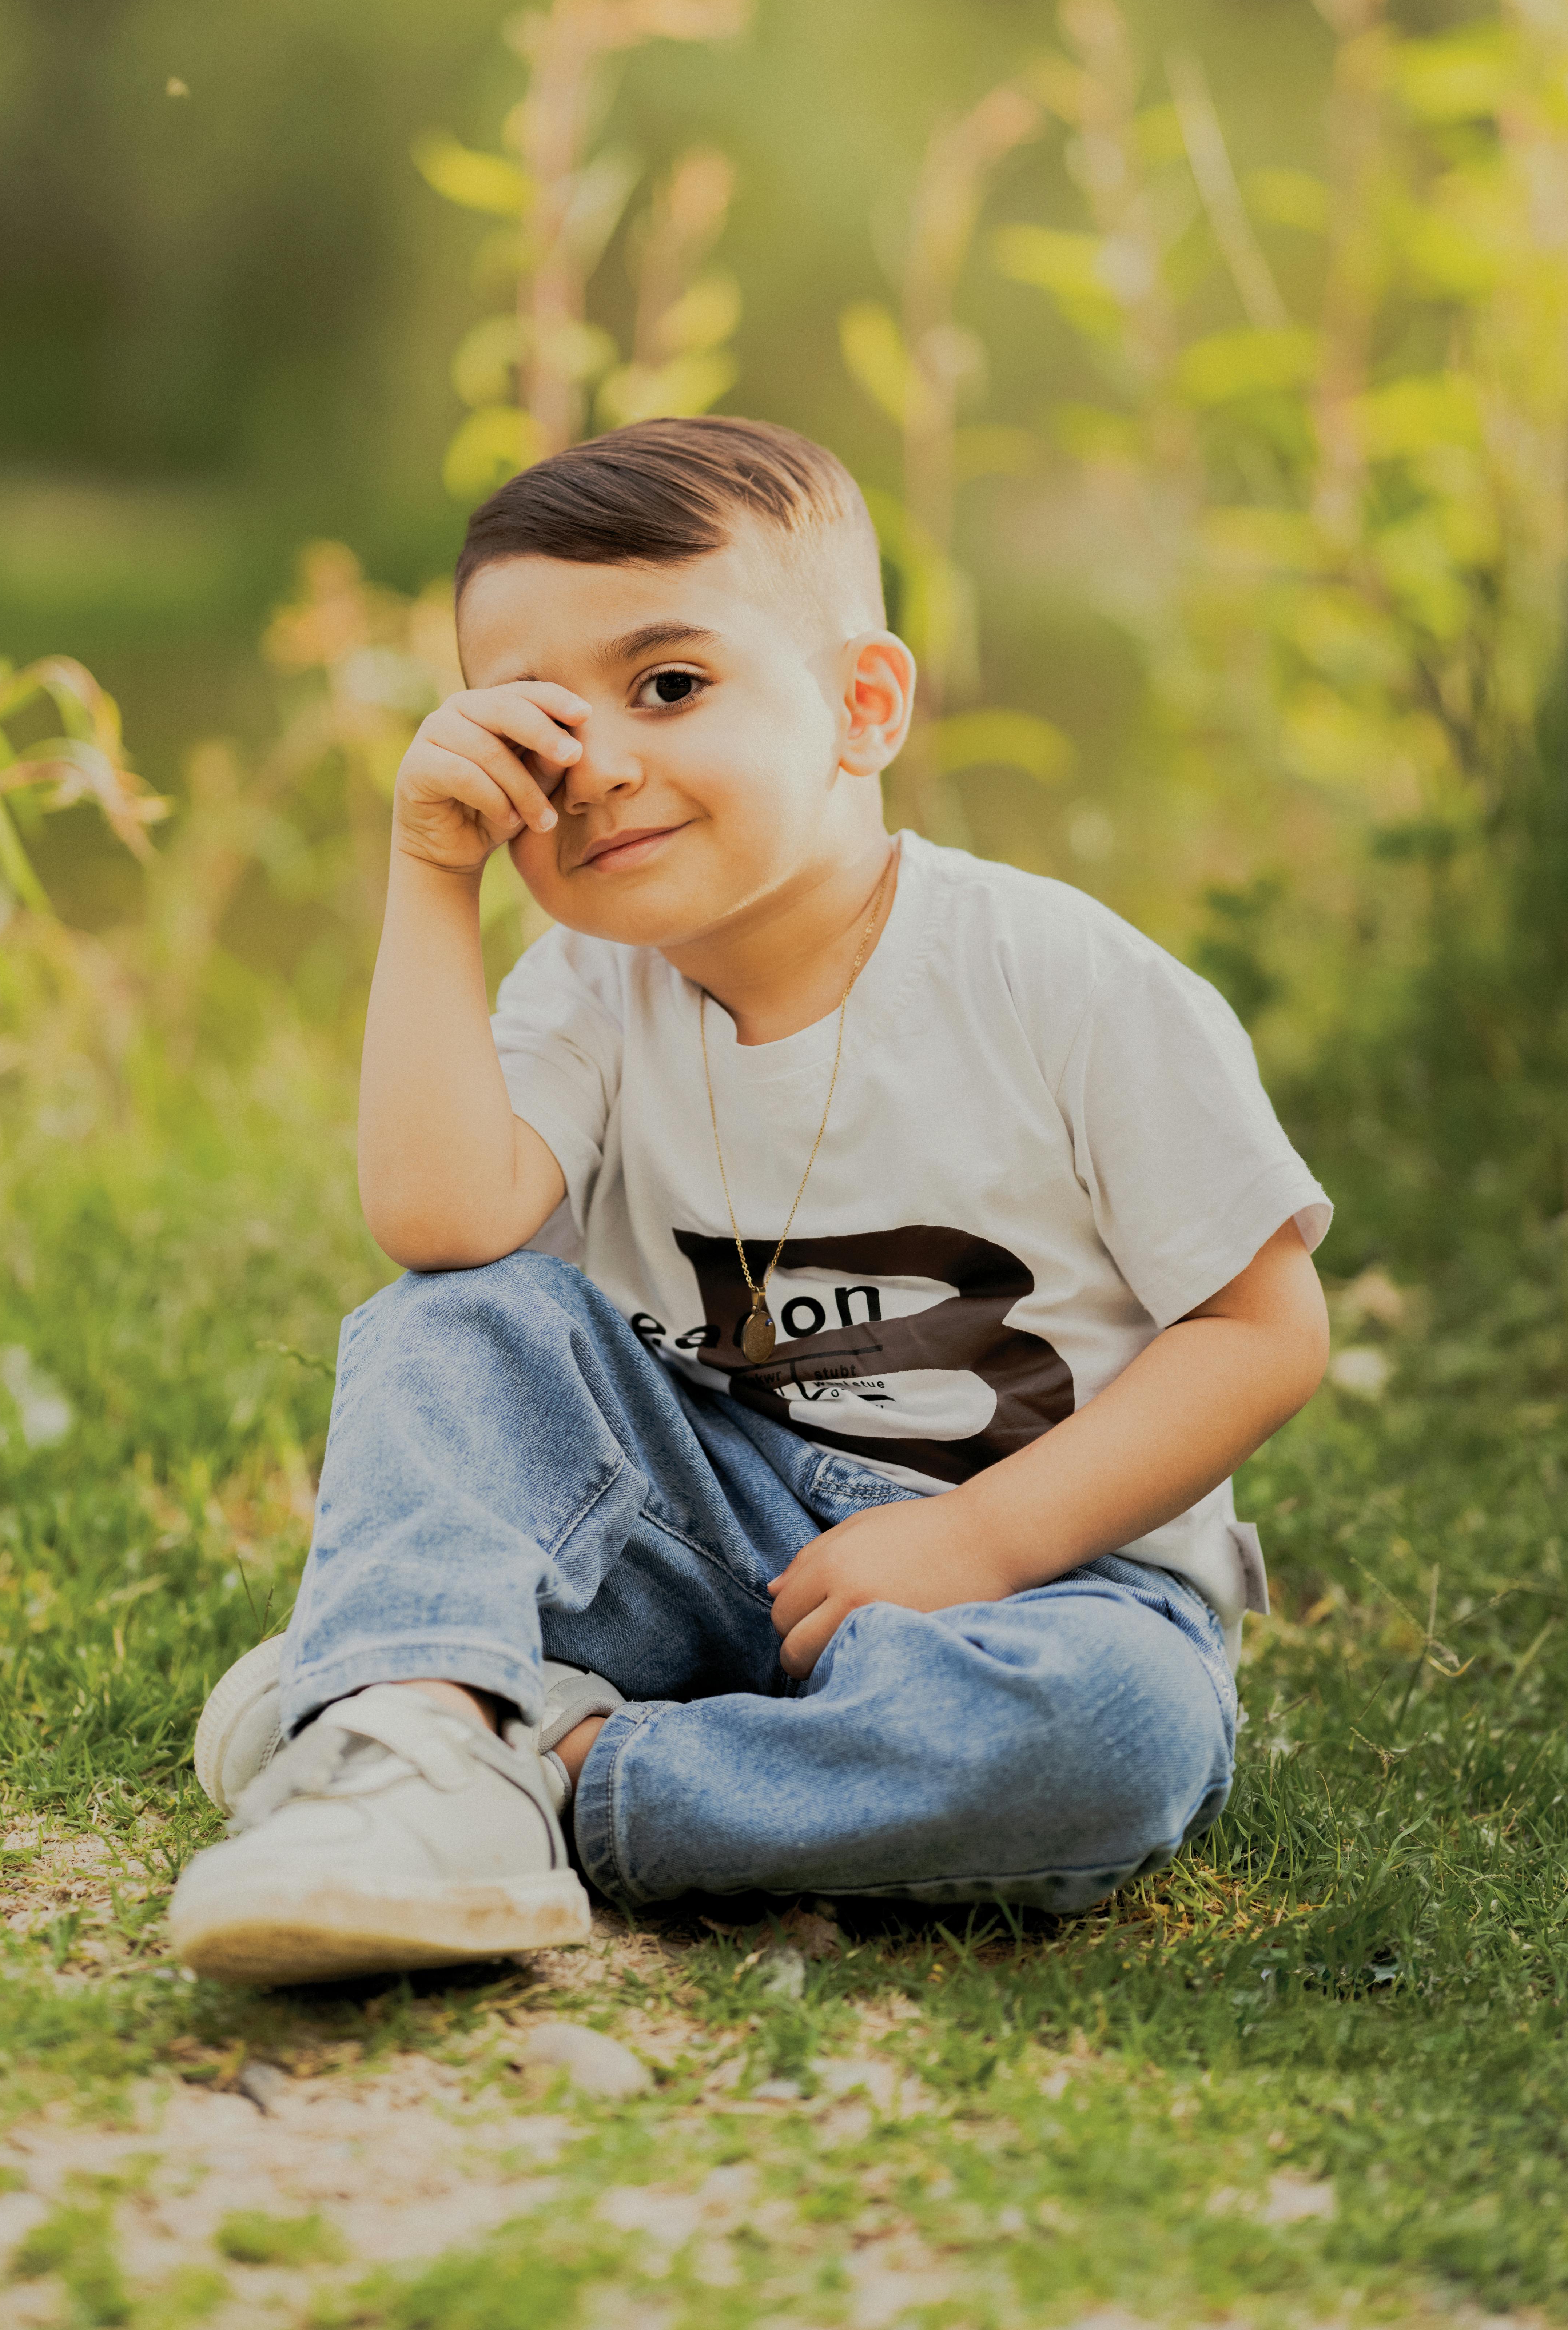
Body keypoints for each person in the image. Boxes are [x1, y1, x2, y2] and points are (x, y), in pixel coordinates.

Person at [167, 418, 1330, 1983]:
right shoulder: (584, 989)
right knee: (457, 1319)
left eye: (669, 686)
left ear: (863, 706)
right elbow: (443, 1225)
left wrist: (980, 1538)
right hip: (707, 1541)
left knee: (1117, 1736)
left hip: (1048, 1576)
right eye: (540, 721)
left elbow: (1260, 1331)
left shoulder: (1063, 980)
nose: (601, 763)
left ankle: (530, 1759)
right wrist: (432, 873)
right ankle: (423, 1737)